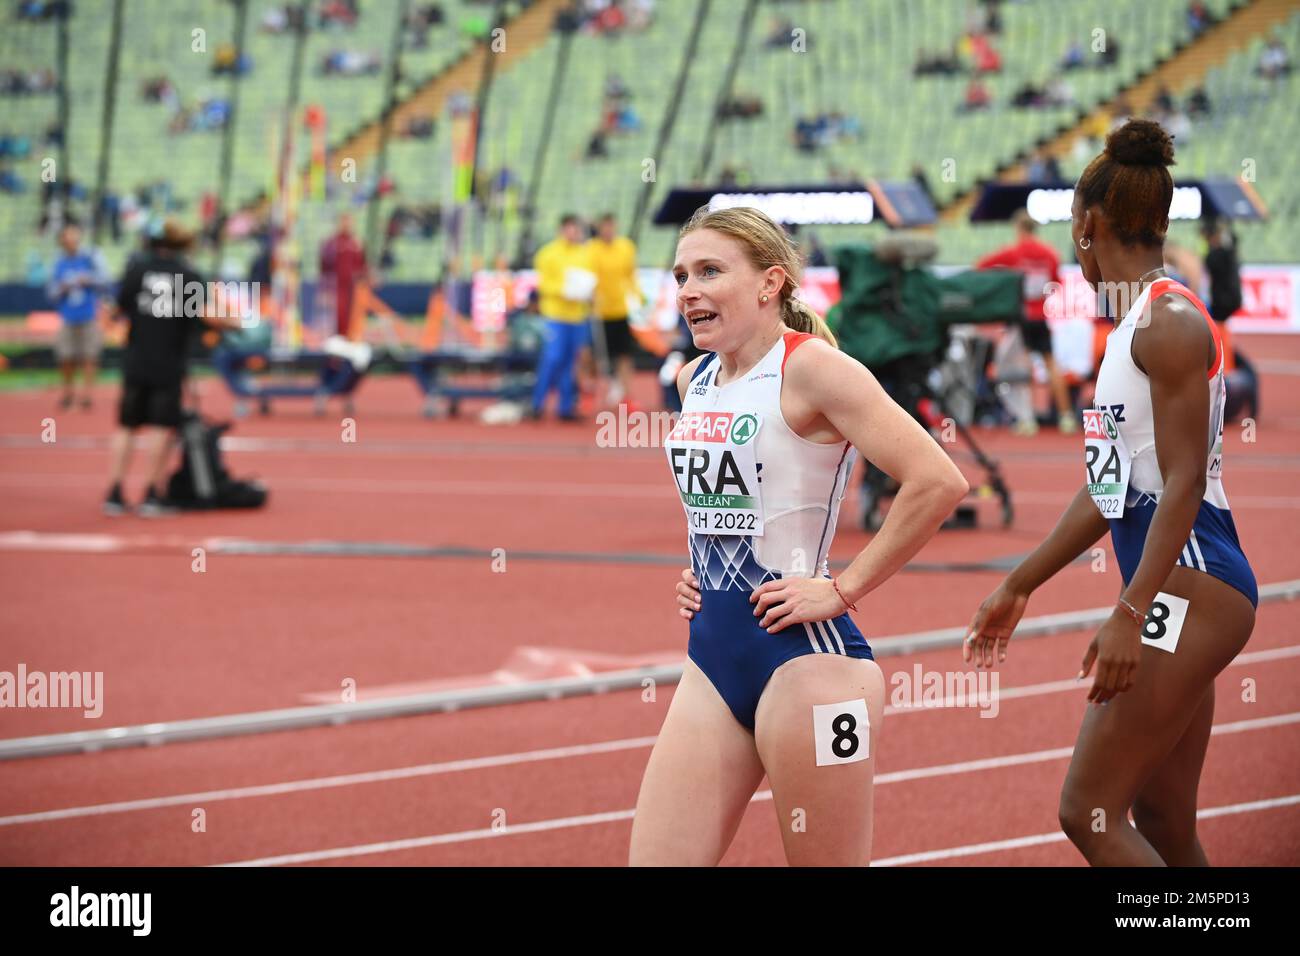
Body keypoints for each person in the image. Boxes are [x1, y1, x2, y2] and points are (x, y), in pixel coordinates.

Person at [631, 206, 968, 866]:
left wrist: (844, 588)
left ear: (769, 283)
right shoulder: (691, 380)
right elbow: (733, 501)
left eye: (709, 271)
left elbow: (937, 480)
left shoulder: (812, 368)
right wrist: (702, 565)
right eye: (680, 275)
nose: (689, 290)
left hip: (810, 670)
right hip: (713, 662)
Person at [964, 119, 1256, 866]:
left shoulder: (1170, 322)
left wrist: (1130, 611)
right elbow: (1106, 491)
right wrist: (1019, 584)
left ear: (1089, 226)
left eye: (1072, 232)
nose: (1073, 248)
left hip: (1189, 589)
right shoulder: (1132, 328)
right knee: (1161, 819)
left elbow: (1185, 480)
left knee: (1088, 811)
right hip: (1174, 589)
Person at [104, 219, 240, 516]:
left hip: (136, 360)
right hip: (168, 362)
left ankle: (114, 492)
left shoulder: (136, 270)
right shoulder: (188, 275)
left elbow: (116, 312)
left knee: (127, 426)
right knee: (162, 428)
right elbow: (207, 317)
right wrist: (236, 325)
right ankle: (152, 493)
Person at [977, 208, 1074, 434]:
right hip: (1040, 316)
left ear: (1019, 229)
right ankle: (1066, 417)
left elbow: (982, 266)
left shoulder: (1014, 252)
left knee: (1021, 366)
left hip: (1021, 317)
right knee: (1051, 365)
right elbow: (1056, 284)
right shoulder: (1050, 254)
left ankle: (1027, 419)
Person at [530, 214, 595, 421]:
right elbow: (542, 284)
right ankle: (537, 404)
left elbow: (590, 280)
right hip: (555, 315)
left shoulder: (585, 254)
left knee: (571, 363)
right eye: (570, 228)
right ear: (562, 230)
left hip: (577, 316)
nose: (574, 233)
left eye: (576, 229)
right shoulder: (548, 253)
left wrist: (588, 292)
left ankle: (565, 407)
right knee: (552, 358)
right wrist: (563, 290)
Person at [47, 221, 108, 410]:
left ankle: (87, 394)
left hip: (88, 314)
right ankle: (68, 391)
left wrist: (88, 279)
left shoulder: (90, 258)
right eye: (68, 237)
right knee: (66, 356)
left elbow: (105, 280)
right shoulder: (58, 263)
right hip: (67, 316)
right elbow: (51, 292)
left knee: (90, 356)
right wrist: (62, 288)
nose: (72, 240)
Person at [585, 213, 643, 410]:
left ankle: (627, 396)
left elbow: (631, 275)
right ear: (600, 228)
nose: (609, 231)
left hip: (620, 310)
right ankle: (589, 394)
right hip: (598, 312)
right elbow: (586, 276)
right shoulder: (591, 249)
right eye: (605, 227)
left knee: (625, 356)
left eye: (612, 227)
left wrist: (638, 296)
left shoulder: (626, 247)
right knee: (592, 356)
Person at [1201, 217, 1241, 374]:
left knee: (1218, 328)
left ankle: (1225, 366)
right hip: (1229, 298)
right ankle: (1226, 364)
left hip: (1224, 300)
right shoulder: (1227, 253)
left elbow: (1210, 261)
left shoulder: (1217, 256)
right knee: (1220, 328)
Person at [318, 212, 368, 338]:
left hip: (352, 288)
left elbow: (363, 266)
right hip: (336, 287)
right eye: (344, 221)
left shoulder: (357, 243)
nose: (347, 225)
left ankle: (350, 341)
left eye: (349, 221)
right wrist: (324, 290)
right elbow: (324, 268)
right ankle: (337, 344)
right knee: (337, 317)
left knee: (353, 317)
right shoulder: (331, 243)